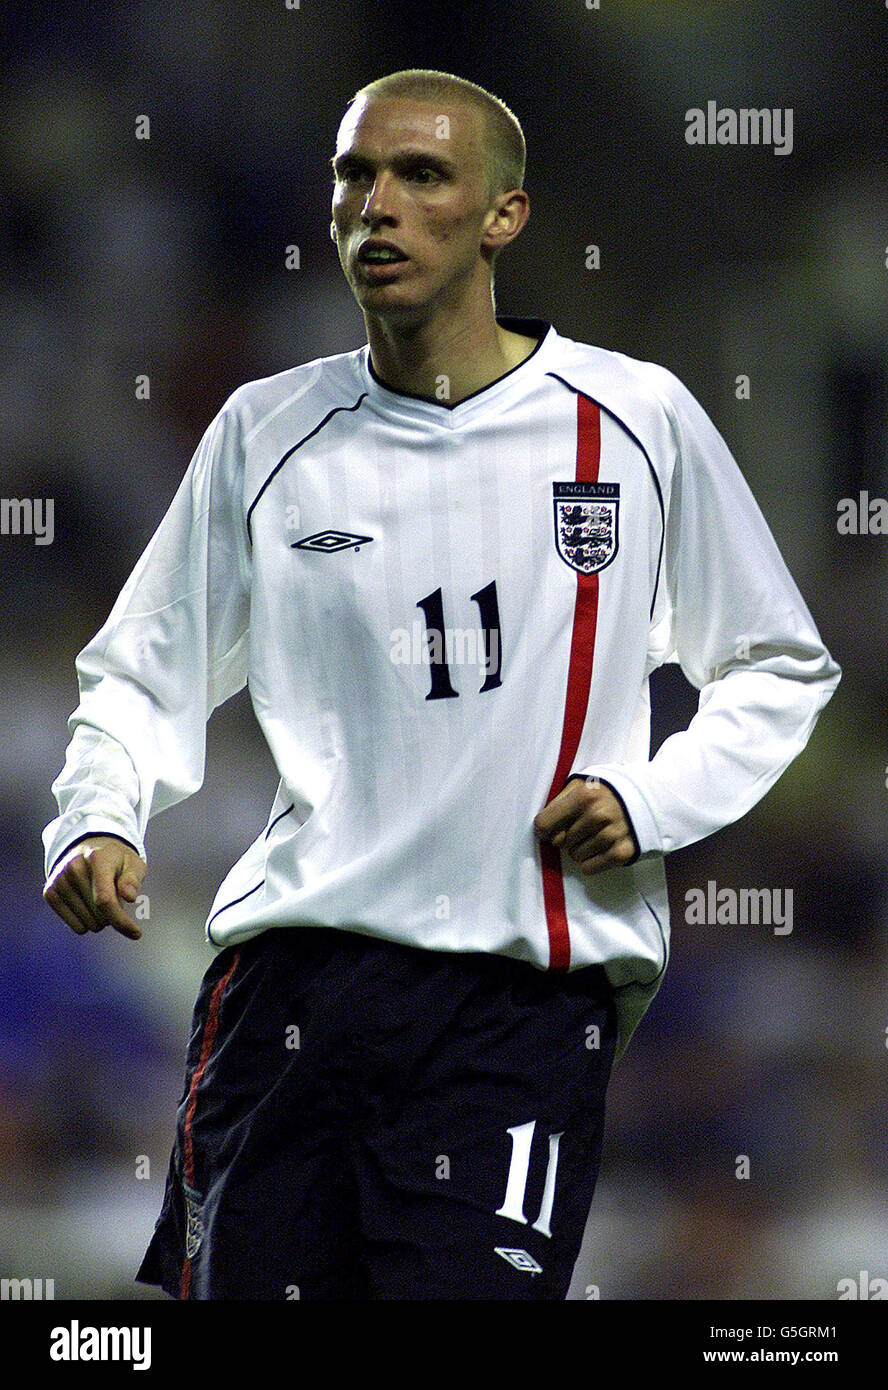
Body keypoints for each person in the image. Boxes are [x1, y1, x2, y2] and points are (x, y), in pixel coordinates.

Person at [42, 69, 840, 1301]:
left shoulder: (633, 421)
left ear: (504, 217)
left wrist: (655, 796)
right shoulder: (267, 431)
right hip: (291, 986)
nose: (382, 207)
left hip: (517, 1002)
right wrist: (99, 811)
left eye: (422, 176)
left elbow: (778, 661)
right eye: (356, 177)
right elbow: (141, 668)